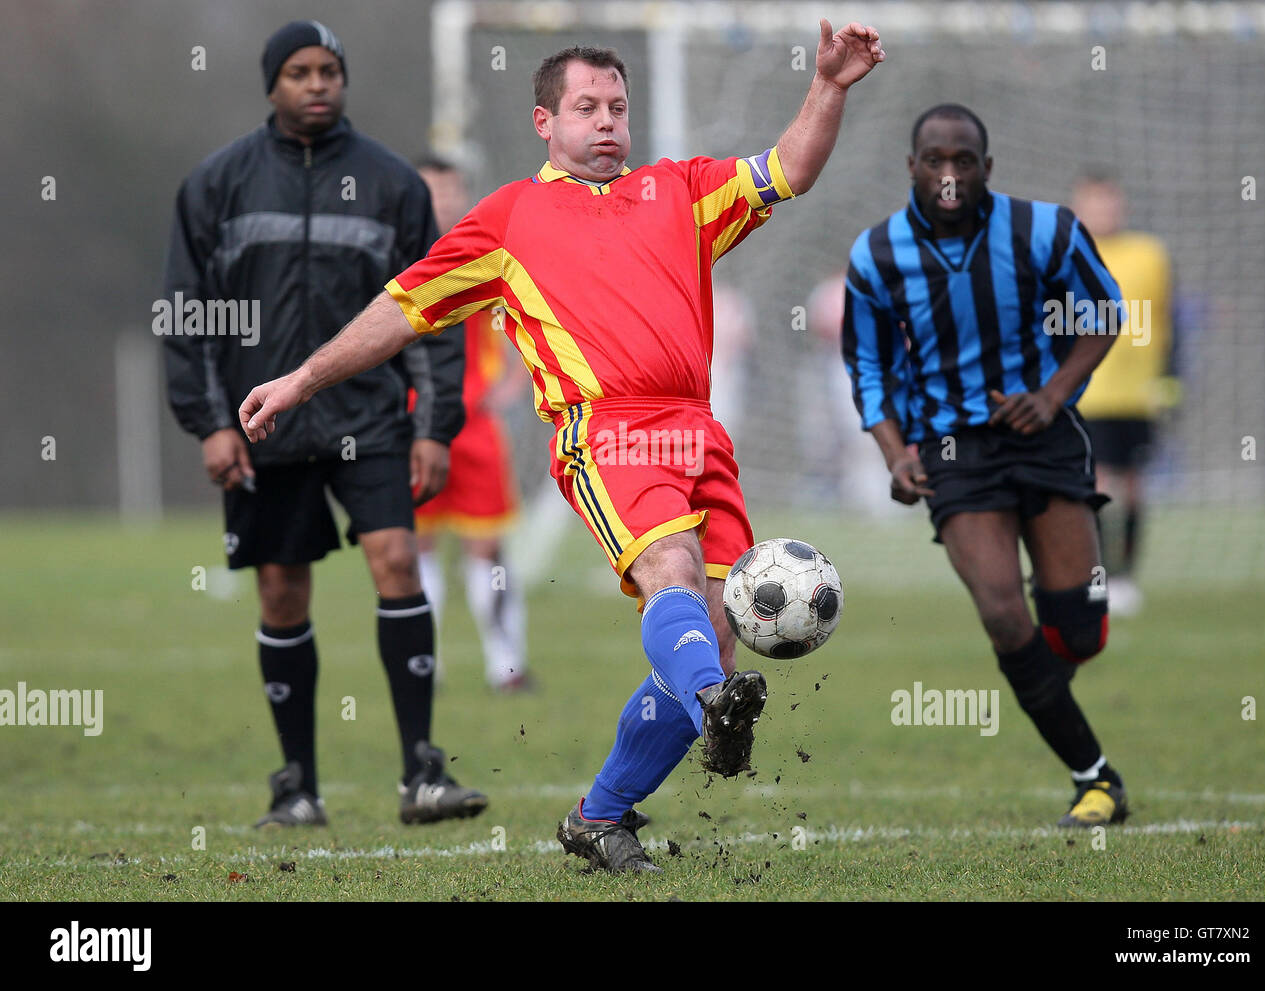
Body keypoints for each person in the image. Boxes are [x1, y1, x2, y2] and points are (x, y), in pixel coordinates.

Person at [239, 21, 887, 872]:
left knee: (714, 636)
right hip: (607, 431)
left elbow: (788, 169)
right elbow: (400, 309)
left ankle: (601, 813)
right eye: (587, 107)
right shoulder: (509, 217)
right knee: (672, 578)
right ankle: (714, 701)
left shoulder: (679, 189)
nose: (608, 121)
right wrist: (300, 379)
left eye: (617, 106)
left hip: (699, 431)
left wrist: (829, 86)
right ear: (545, 121)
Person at [163, 20, 486, 828]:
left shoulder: (392, 183)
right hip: (261, 424)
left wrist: (433, 426)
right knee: (280, 590)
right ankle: (297, 787)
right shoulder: (217, 183)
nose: (317, 84)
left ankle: (422, 773)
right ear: (272, 83)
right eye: (300, 72)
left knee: (398, 562)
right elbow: (184, 313)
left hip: (369, 418)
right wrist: (210, 422)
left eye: (329, 71)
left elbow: (433, 312)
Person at [842, 104, 1130, 828]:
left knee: (1080, 634)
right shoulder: (876, 256)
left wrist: (1052, 394)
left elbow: (1103, 311)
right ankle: (1095, 777)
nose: (949, 175)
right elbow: (868, 365)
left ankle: (1046, 661)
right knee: (1003, 612)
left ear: (987, 168)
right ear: (911, 167)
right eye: (934, 161)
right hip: (952, 450)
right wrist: (895, 454)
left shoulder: (1046, 230)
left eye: (963, 161)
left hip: (1044, 431)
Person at [412, 156, 534, 692]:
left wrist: (513, 383)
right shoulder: (393, 256)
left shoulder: (484, 251)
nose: (443, 200)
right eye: (431, 190)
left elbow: (517, 318)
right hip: (412, 425)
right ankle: (420, 666)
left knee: (487, 546)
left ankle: (506, 666)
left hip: (474, 424)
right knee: (415, 546)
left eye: (451, 189)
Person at [1071, 171, 1177, 617]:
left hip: (1137, 397)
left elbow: (1168, 320)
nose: (1103, 211)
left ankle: (1126, 578)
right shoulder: (1067, 255)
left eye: (1109, 202)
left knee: (1133, 489)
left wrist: (1170, 380)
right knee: (1094, 486)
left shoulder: (1150, 254)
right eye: (1094, 203)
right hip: (1085, 394)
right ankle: (1097, 578)